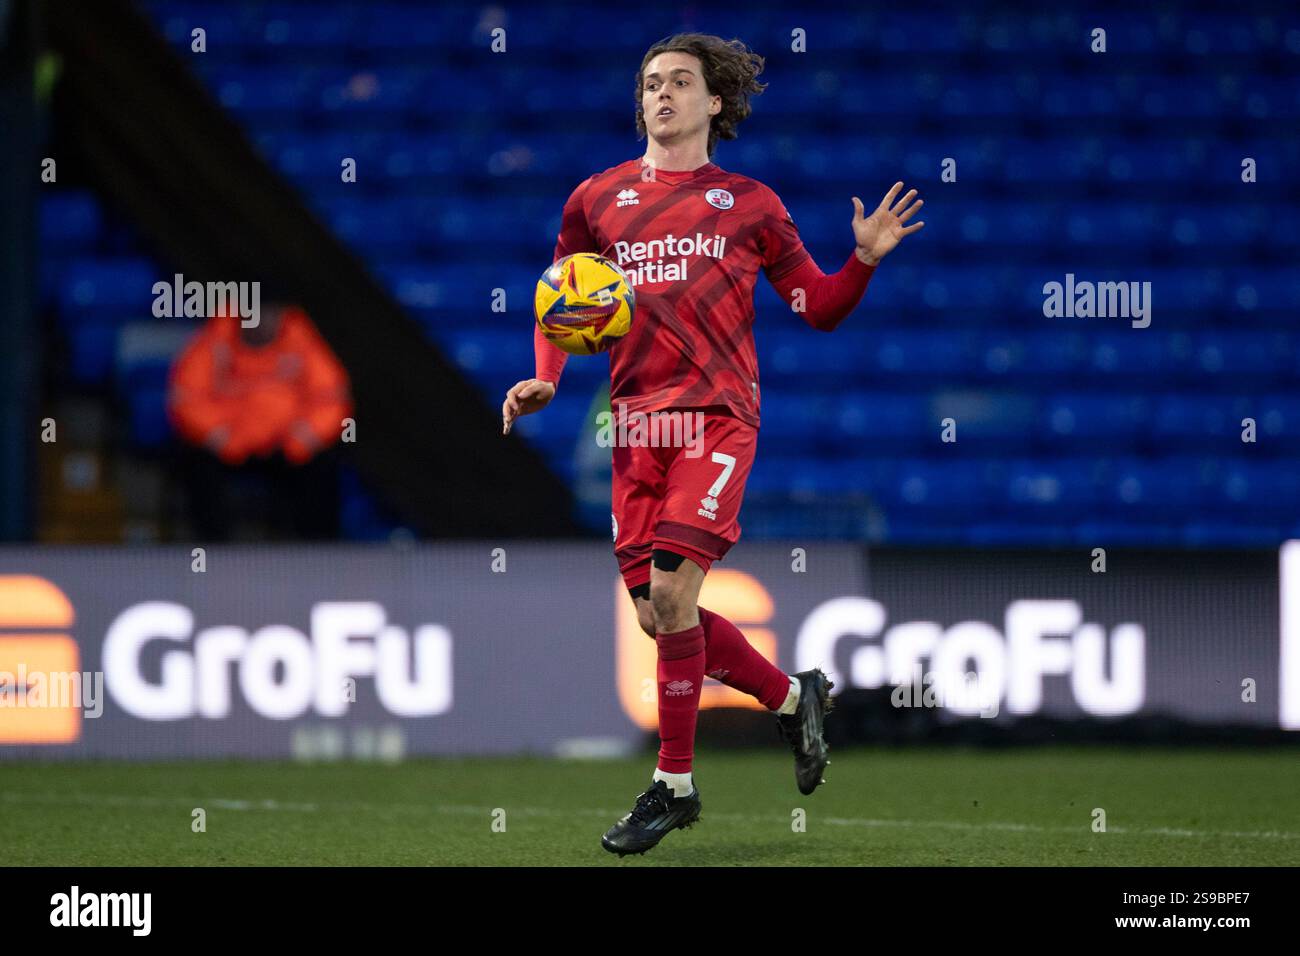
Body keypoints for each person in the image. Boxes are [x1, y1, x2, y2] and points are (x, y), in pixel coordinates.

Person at [501, 33, 925, 856]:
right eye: (650, 84)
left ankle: (673, 786)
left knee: (670, 596)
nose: (660, 95)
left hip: (715, 419)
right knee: (663, 616)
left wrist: (864, 261)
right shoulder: (595, 200)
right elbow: (560, 298)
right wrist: (546, 375)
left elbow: (820, 308)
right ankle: (790, 697)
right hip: (635, 426)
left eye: (679, 83)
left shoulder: (752, 205)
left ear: (715, 102)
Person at [167, 302, 353, 540]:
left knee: (324, 463)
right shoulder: (214, 342)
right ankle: (213, 550)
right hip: (228, 446)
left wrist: (302, 438)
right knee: (195, 458)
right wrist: (219, 435)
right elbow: (186, 398)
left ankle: (317, 551)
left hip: (286, 446)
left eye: (270, 312)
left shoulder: (302, 342)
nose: (263, 320)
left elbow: (331, 399)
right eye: (255, 311)